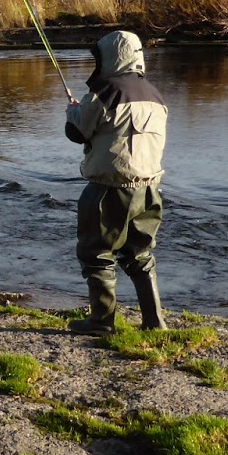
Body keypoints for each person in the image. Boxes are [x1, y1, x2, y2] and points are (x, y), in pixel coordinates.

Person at [63, 29, 169, 333]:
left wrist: (73, 112)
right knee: (140, 254)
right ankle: (154, 322)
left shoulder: (106, 91)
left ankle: (101, 321)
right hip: (150, 189)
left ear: (111, 57)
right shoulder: (155, 95)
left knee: (96, 254)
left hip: (109, 189)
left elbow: (77, 132)